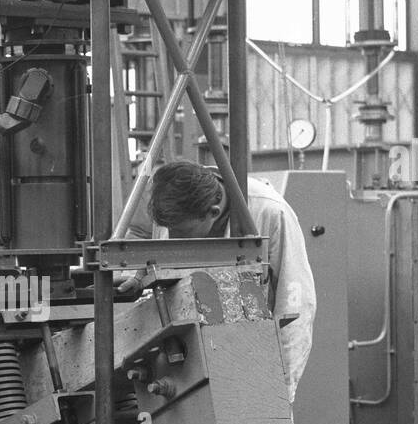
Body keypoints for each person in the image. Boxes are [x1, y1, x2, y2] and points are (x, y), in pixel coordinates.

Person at [135, 158, 315, 402]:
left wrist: (283, 386)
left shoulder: (269, 212)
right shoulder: (174, 206)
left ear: (213, 213)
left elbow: (295, 304)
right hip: (188, 359)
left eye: (182, 234)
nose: (173, 239)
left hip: (252, 355)